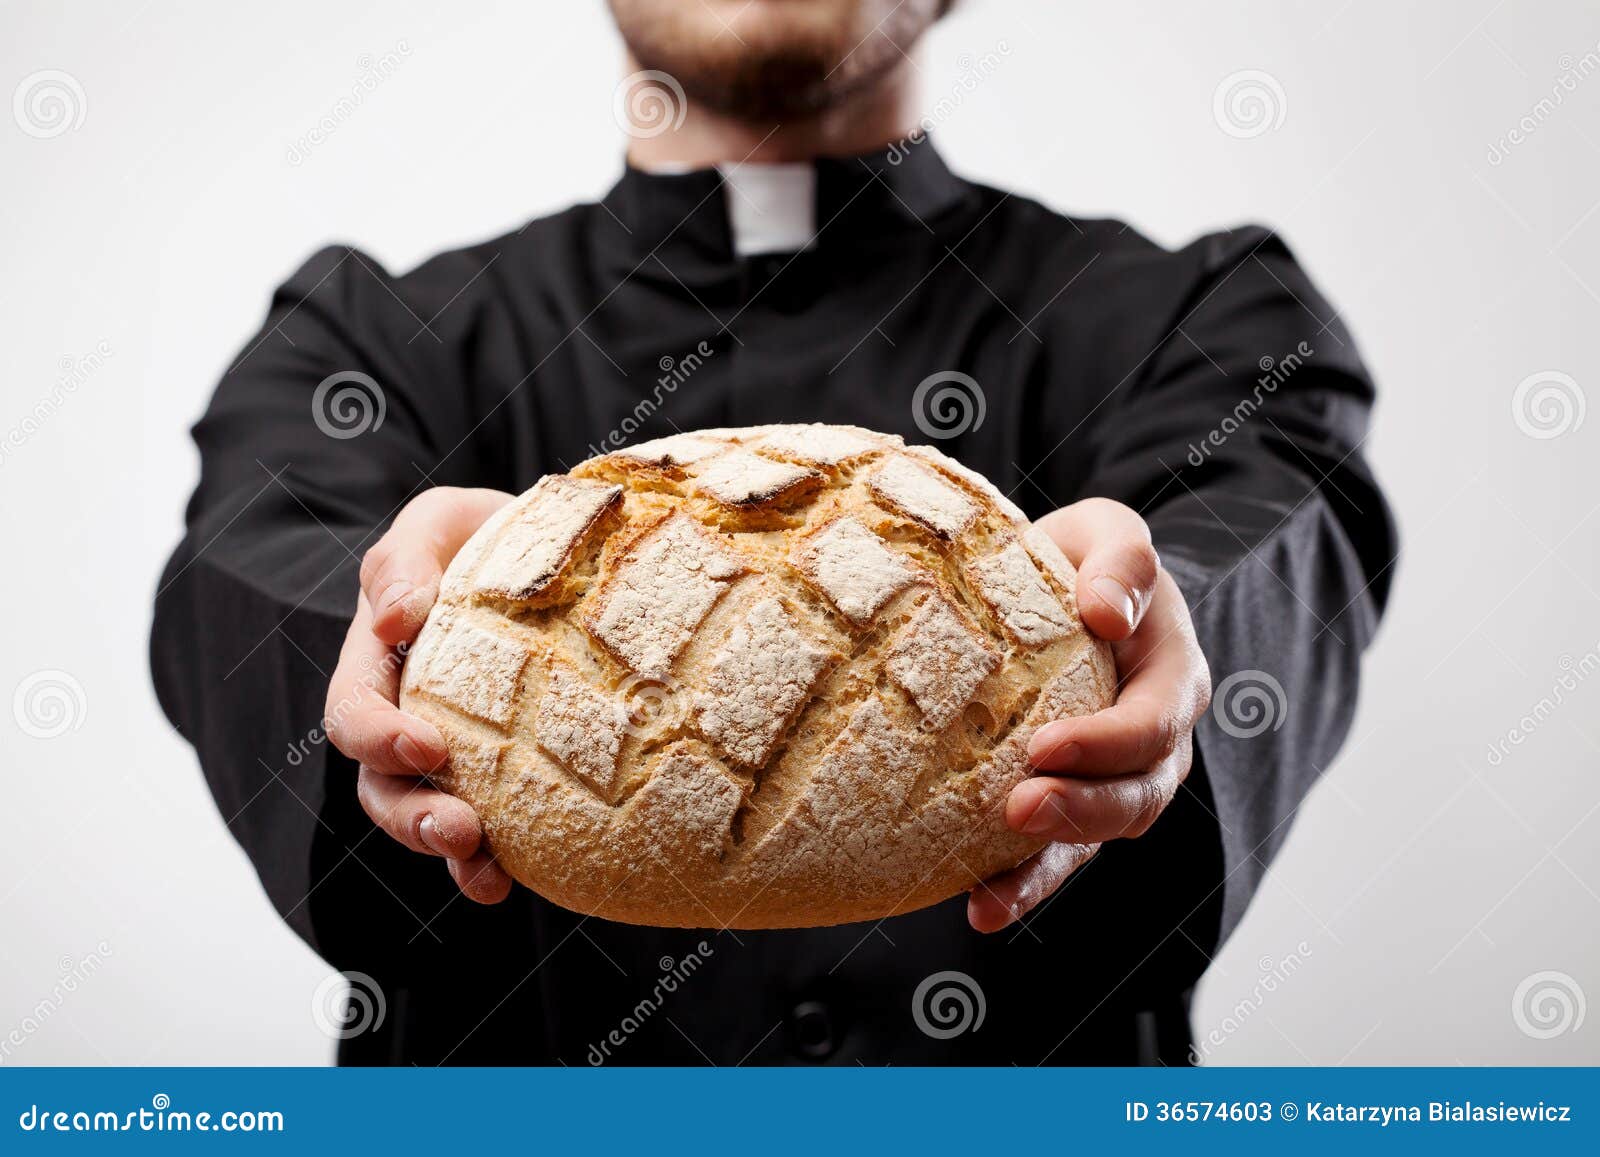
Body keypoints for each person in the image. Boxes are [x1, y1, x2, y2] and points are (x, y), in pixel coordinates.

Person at [151, 0, 1395, 1065]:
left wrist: (1149, 628)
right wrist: (396, 640)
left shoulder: (1207, 321)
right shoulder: (368, 343)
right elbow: (257, 582)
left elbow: (1266, 541)